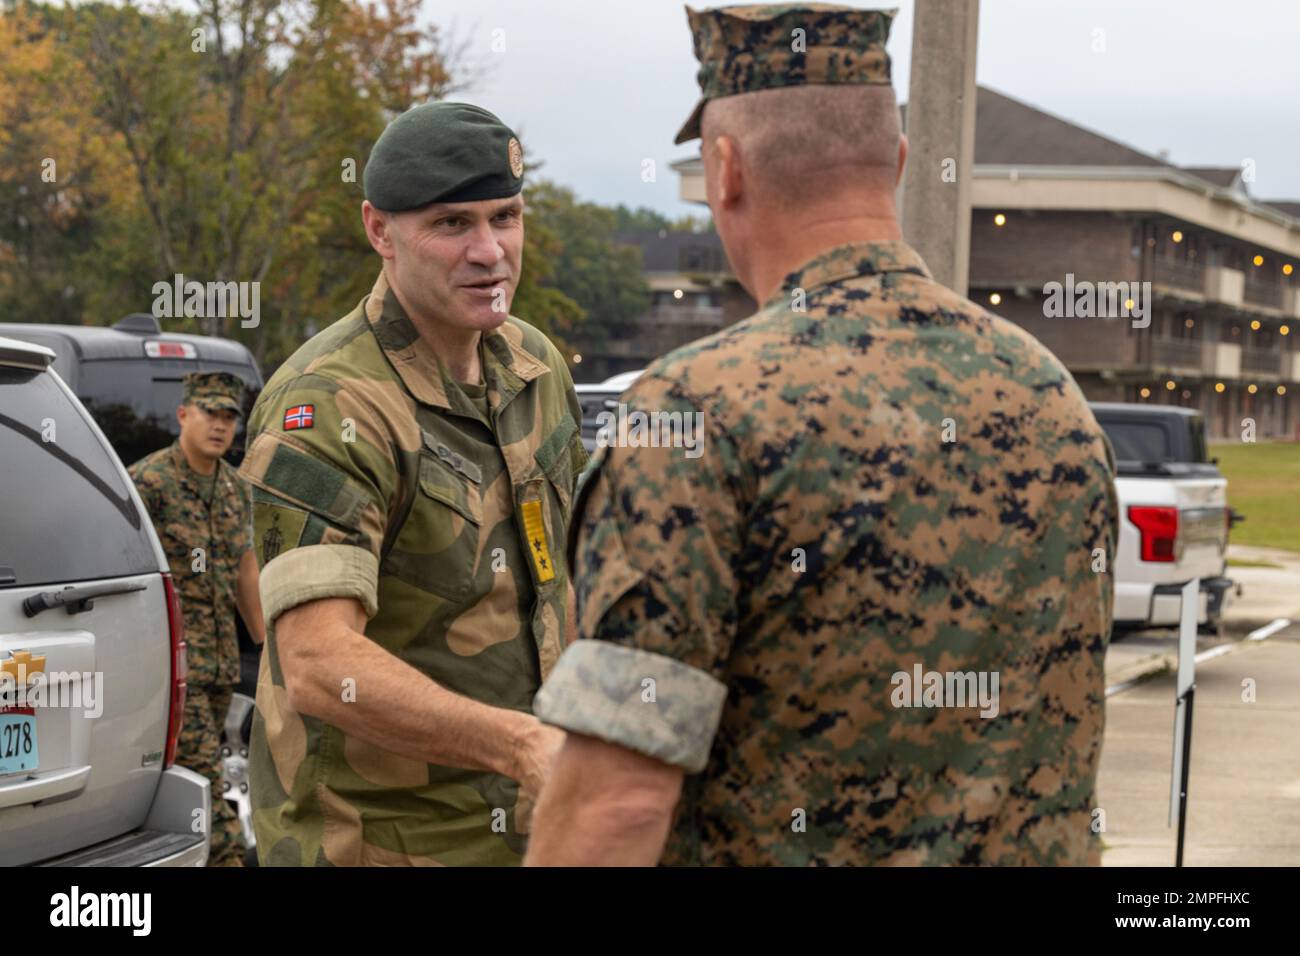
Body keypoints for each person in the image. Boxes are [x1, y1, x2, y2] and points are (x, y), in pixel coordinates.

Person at [526, 3, 1118, 866]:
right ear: (900, 161)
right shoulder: (1052, 396)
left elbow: (615, 805)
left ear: (724, 170)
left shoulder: (695, 415)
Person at [238, 101, 585, 866]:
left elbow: (566, 570)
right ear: (379, 231)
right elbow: (320, 666)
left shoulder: (532, 366)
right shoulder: (329, 405)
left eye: (507, 216)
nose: (490, 252)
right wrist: (527, 746)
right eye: (453, 224)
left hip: (529, 827)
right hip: (380, 840)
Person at [129, 369, 265, 867]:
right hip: (170, 666)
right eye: (210, 413)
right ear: (184, 415)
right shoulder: (149, 482)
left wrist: (266, 646)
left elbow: (246, 569)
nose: (220, 426)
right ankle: (227, 856)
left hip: (222, 665)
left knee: (191, 771)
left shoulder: (235, 489)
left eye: (229, 417)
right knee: (204, 769)